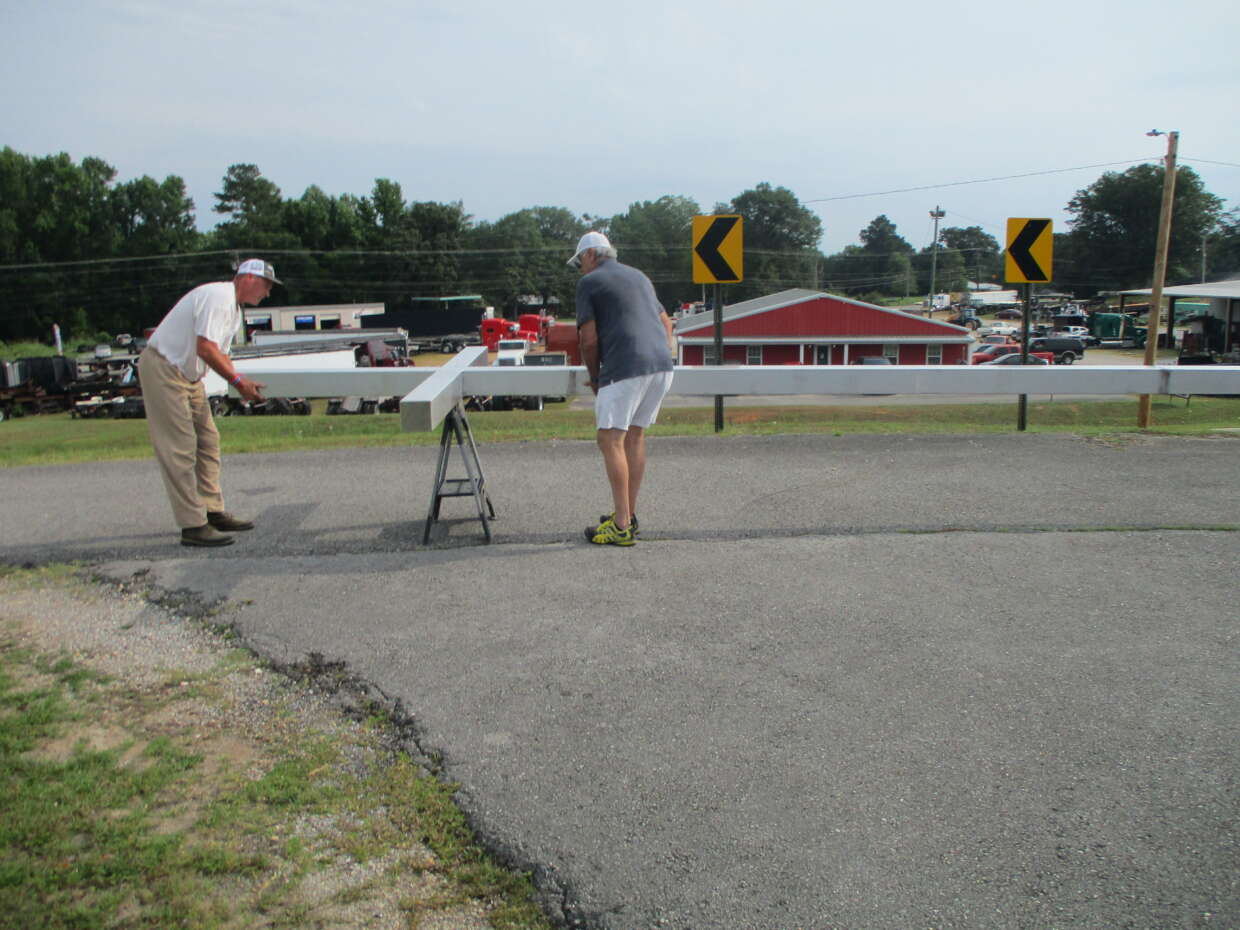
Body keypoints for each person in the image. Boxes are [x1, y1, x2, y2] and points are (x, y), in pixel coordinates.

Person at [138, 259, 274, 548]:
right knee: (180, 448)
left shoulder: (234, 311)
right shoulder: (218, 297)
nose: (267, 293)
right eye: (266, 285)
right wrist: (238, 383)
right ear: (248, 278)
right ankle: (193, 525)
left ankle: (212, 511)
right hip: (166, 368)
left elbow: (220, 355)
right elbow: (206, 348)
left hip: (189, 376)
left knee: (208, 440)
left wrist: (241, 380)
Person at [569, 232, 676, 546]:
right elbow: (666, 323)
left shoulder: (588, 284)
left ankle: (620, 526)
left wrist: (596, 378)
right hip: (661, 365)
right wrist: (654, 351)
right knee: (634, 435)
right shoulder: (638, 276)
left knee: (609, 438)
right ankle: (628, 516)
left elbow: (588, 340)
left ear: (590, 255)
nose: (580, 268)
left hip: (626, 366)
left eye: (579, 262)